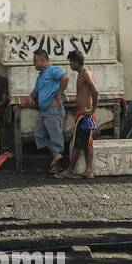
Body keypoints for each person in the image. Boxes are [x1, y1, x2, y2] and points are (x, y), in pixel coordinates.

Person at [24, 50, 69, 175]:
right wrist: (30, 97)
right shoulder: (40, 77)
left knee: (55, 136)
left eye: (35, 61)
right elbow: (35, 92)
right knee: (38, 134)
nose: (34, 64)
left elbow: (65, 77)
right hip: (44, 111)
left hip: (53, 109)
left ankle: (58, 165)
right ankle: (56, 155)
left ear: (43, 60)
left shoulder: (52, 70)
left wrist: (59, 96)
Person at [58, 51, 99, 180]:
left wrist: (92, 110)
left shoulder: (85, 74)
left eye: (70, 62)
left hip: (85, 114)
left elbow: (95, 92)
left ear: (76, 62)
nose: (70, 64)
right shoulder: (83, 74)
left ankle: (70, 170)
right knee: (88, 143)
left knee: (77, 143)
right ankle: (88, 170)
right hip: (84, 113)